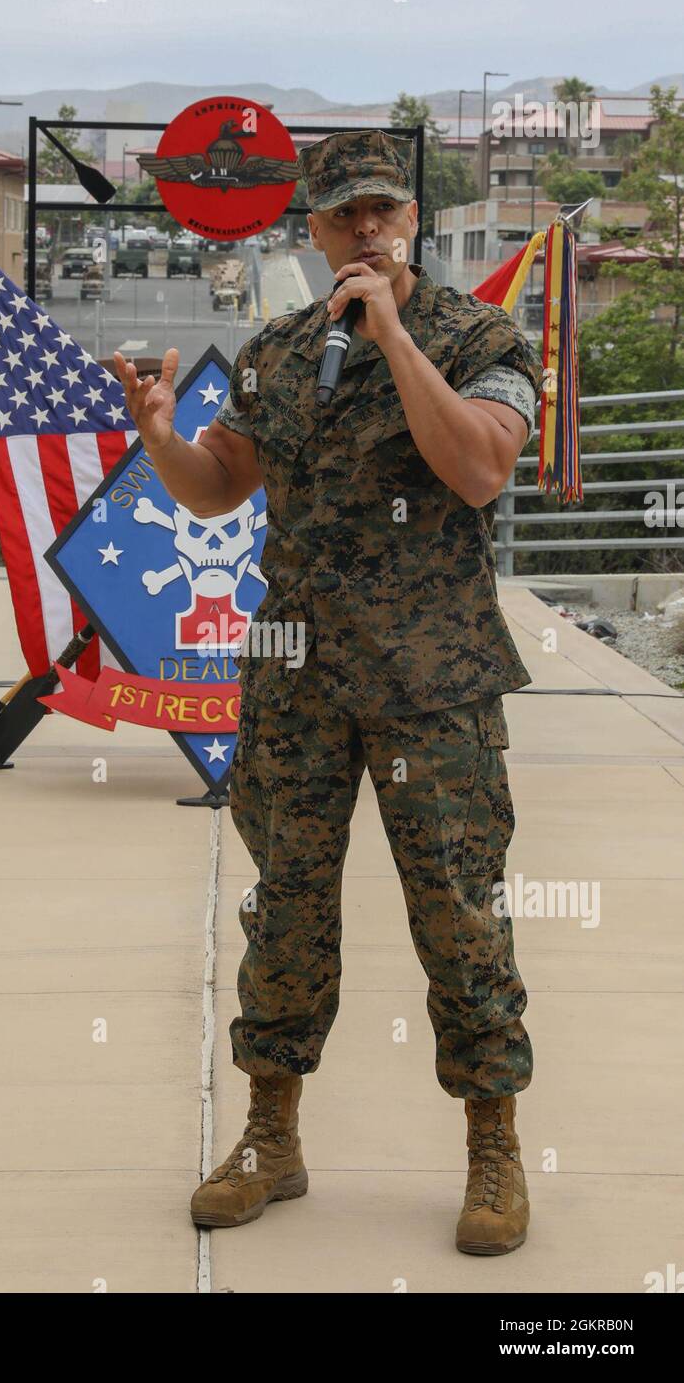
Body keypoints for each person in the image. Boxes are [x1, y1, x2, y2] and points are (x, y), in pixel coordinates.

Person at [113, 129, 544, 1256]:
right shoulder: (273, 351)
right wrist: (160, 436)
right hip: (296, 680)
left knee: (457, 916)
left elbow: (480, 467)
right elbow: (219, 488)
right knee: (285, 912)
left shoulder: (477, 337)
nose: (364, 229)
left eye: (382, 210)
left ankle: (492, 1146)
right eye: (342, 213)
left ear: (412, 221)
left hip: (430, 682)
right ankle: (271, 1136)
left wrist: (392, 336)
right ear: (308, 229)